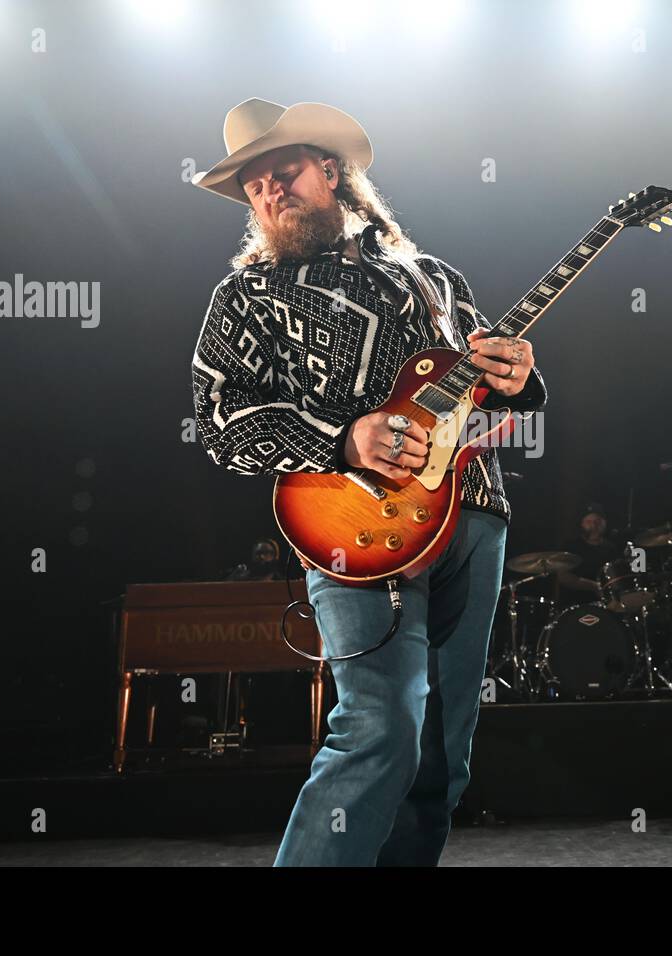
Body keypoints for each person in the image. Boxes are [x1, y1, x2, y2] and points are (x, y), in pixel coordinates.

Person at [190, 99, 546, 865]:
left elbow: (481, 384)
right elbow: (218, 423)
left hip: (473, 512)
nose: (270, 193)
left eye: (282, 172)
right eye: (254, 187)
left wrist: (516, 377)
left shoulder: (434, 277)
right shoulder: (245, 297)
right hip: (348, 524)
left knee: (443, 761)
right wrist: (343, 438)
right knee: (380, 729)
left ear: (329, 169)